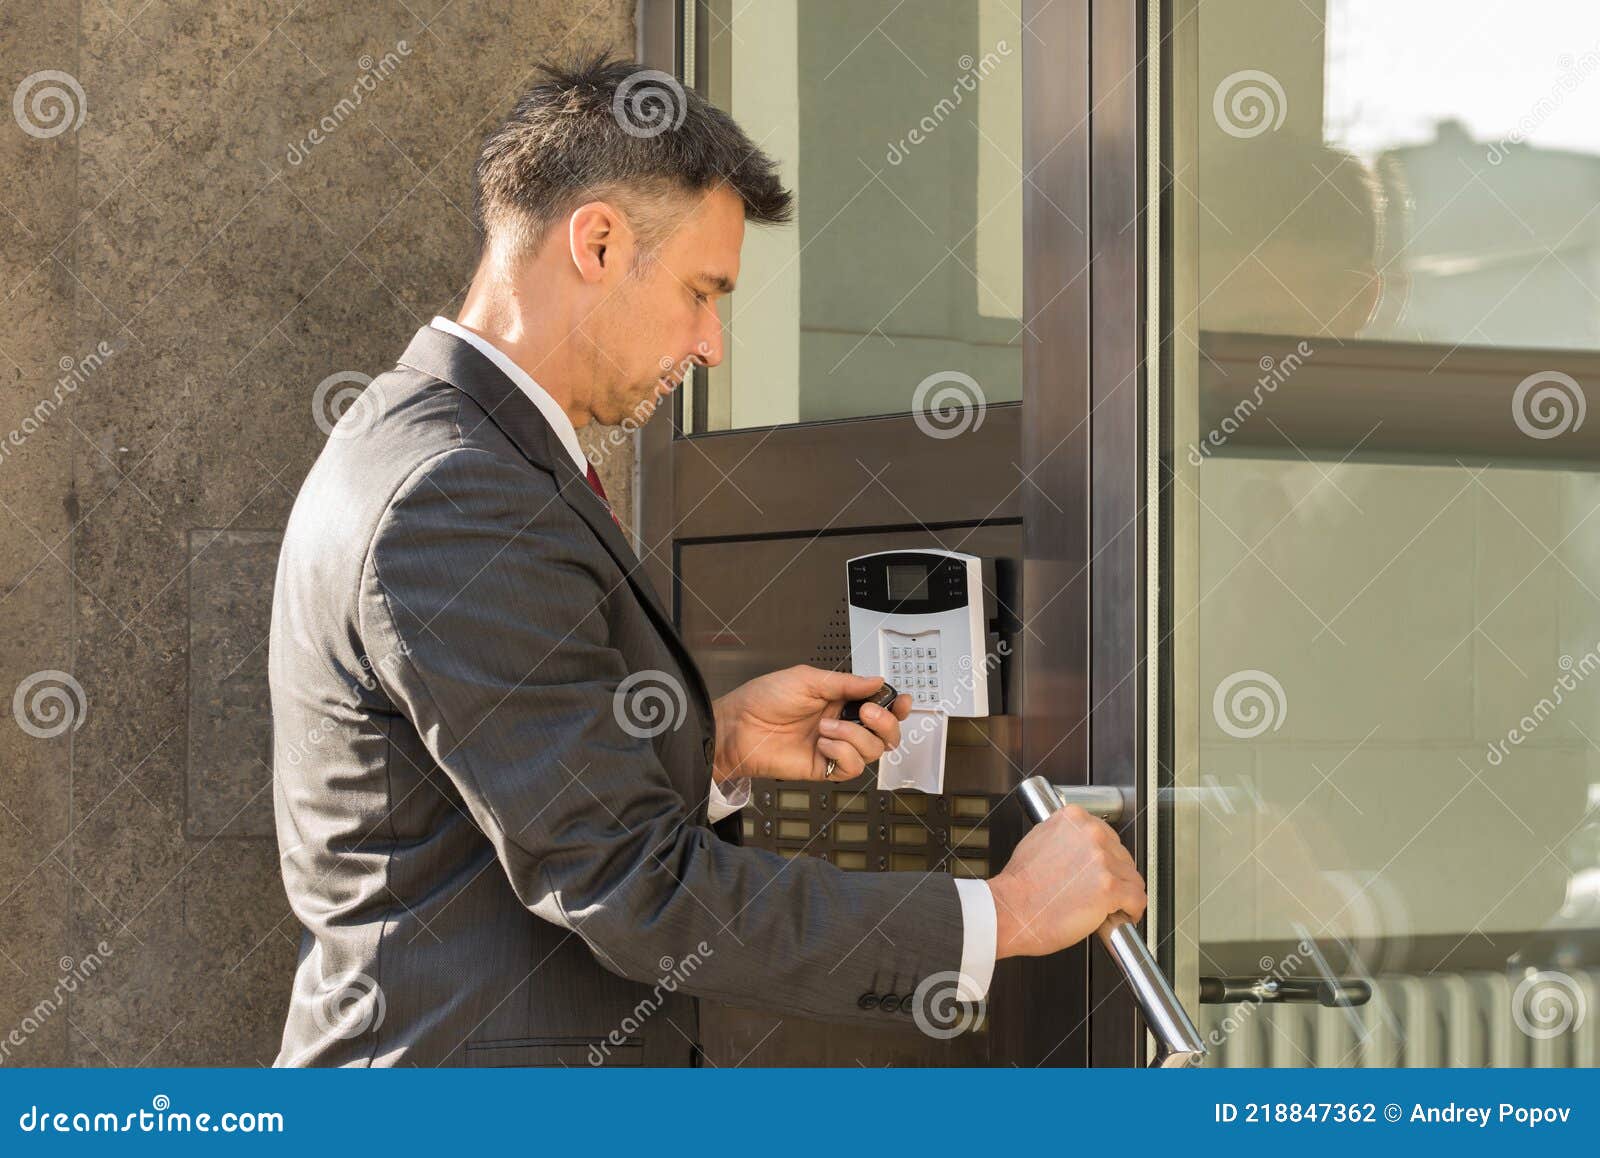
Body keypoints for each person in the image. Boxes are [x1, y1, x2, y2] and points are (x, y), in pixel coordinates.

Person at [269, 53, 1145, 1067]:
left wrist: (709, 748)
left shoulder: (429, 443)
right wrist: (1001, 915)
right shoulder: (456, 494)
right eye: (700, 291)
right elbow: (630, 886)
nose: (712, 343)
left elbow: (498, 792)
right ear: (595, 241)